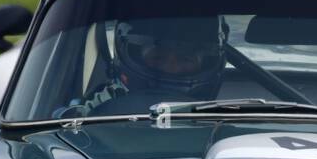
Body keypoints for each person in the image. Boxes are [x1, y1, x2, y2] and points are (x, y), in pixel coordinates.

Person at [56, 15, 229, 118]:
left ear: (207, 63)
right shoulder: (97, 109)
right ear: (133, 53)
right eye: (158, 57)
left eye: (185, 60)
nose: (171, 67)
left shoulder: (237, 115)